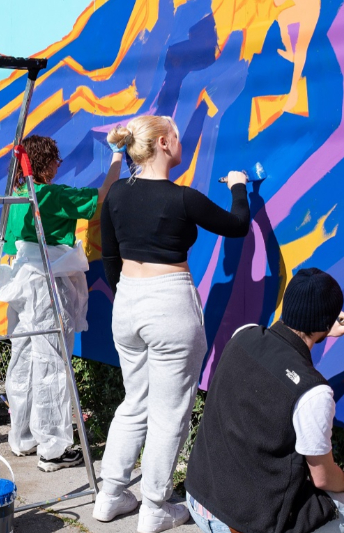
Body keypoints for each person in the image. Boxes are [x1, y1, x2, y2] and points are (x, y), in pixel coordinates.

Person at [93, 115, 251, 532]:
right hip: (169, 303)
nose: (182, 142)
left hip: (127, 301)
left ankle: (109, 497)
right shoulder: (183, 198)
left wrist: (127, 295)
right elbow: (237, 226)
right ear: (164, 143)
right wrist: (239, 186)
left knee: (134, 403)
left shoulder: (115, 197)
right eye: (178, 136)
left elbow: (110, 256)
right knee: (168, 413)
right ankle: (155, 507)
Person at [184, 269, 344, 533]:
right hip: (238, 523)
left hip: (197, 497)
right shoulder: (314, 392)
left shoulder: (244, 334)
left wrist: (320, 327)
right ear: (324, 323)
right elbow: (322, 478)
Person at [0, 135, 121, 472]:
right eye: (56, 161)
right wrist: (117, 158)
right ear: (47, 163)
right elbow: (101, 198)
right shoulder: (50, 195)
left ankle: (21, 437)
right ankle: (53, 449)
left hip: (18, 282)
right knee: (51, 362)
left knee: (23, 358)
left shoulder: (17, 195)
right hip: (44, 288)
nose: (59, 166)